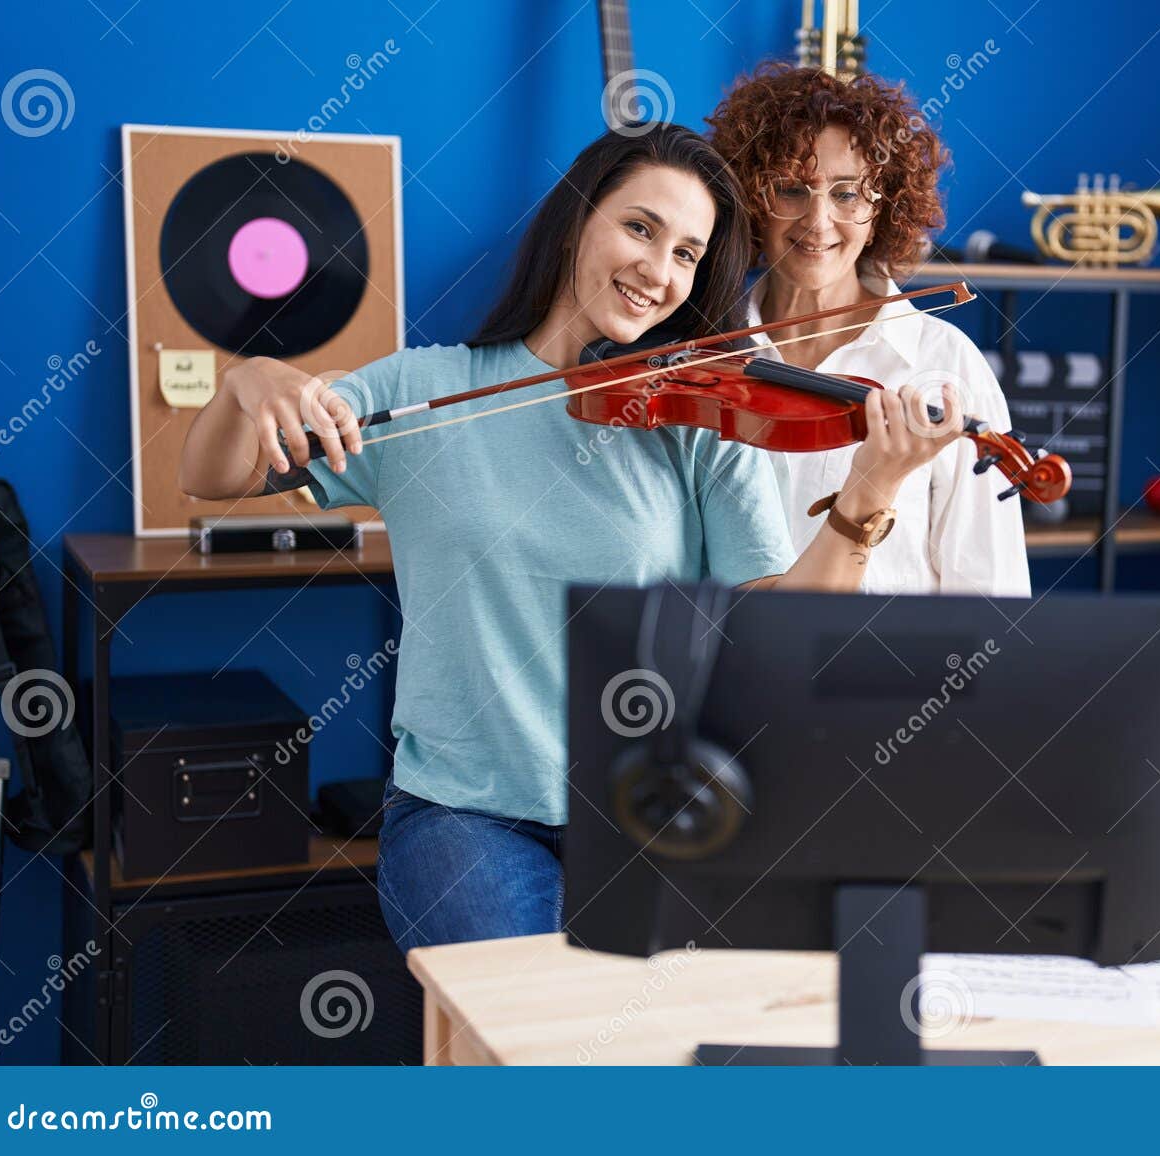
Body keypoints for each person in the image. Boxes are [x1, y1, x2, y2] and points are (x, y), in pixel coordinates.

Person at [178, 124, 962, 952]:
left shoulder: (696, 422)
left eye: (689, 254)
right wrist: (248, 380)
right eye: (641, 228)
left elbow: (784, 637)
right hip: (465, 818)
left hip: (654, 817)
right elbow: (212, 475)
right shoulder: (421, 389)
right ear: (576, 221)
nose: (660, 273)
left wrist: (872, 489)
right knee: (538, 1033)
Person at [708, 64, 1030, 596]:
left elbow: (990, 598)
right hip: (739, 667)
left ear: (883, 211)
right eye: (790, 189)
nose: (817, 221)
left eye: (847, 194)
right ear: (750, 201)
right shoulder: (706, 361)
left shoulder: (945, 362)